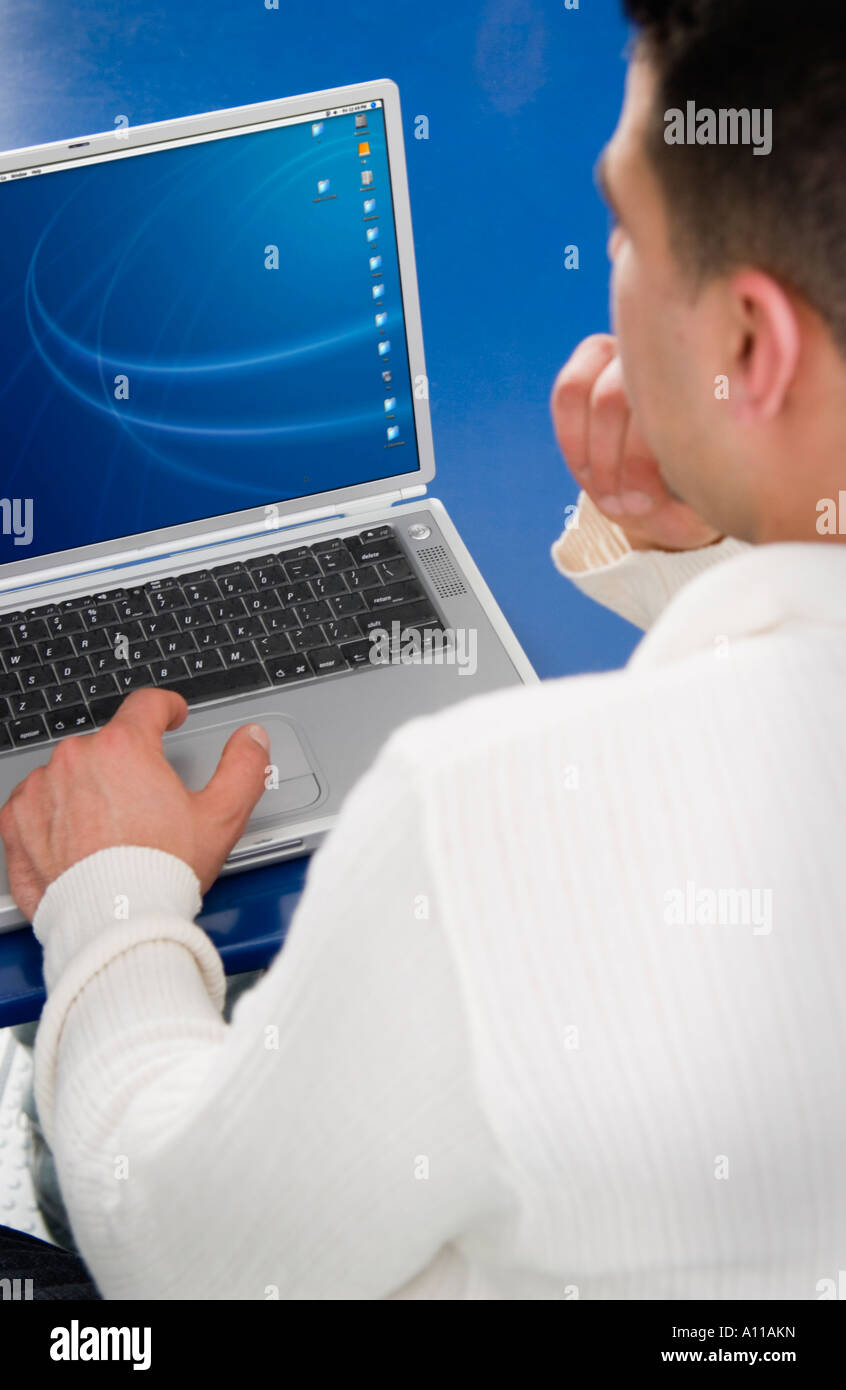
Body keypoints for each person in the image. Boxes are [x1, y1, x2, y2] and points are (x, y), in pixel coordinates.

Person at [1, 0, 845, 1299]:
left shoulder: (478, 827)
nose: (609, 266)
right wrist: (741, 526)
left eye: (626, 224)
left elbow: (177, 1247)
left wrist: (112, 902)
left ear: (749, 343)